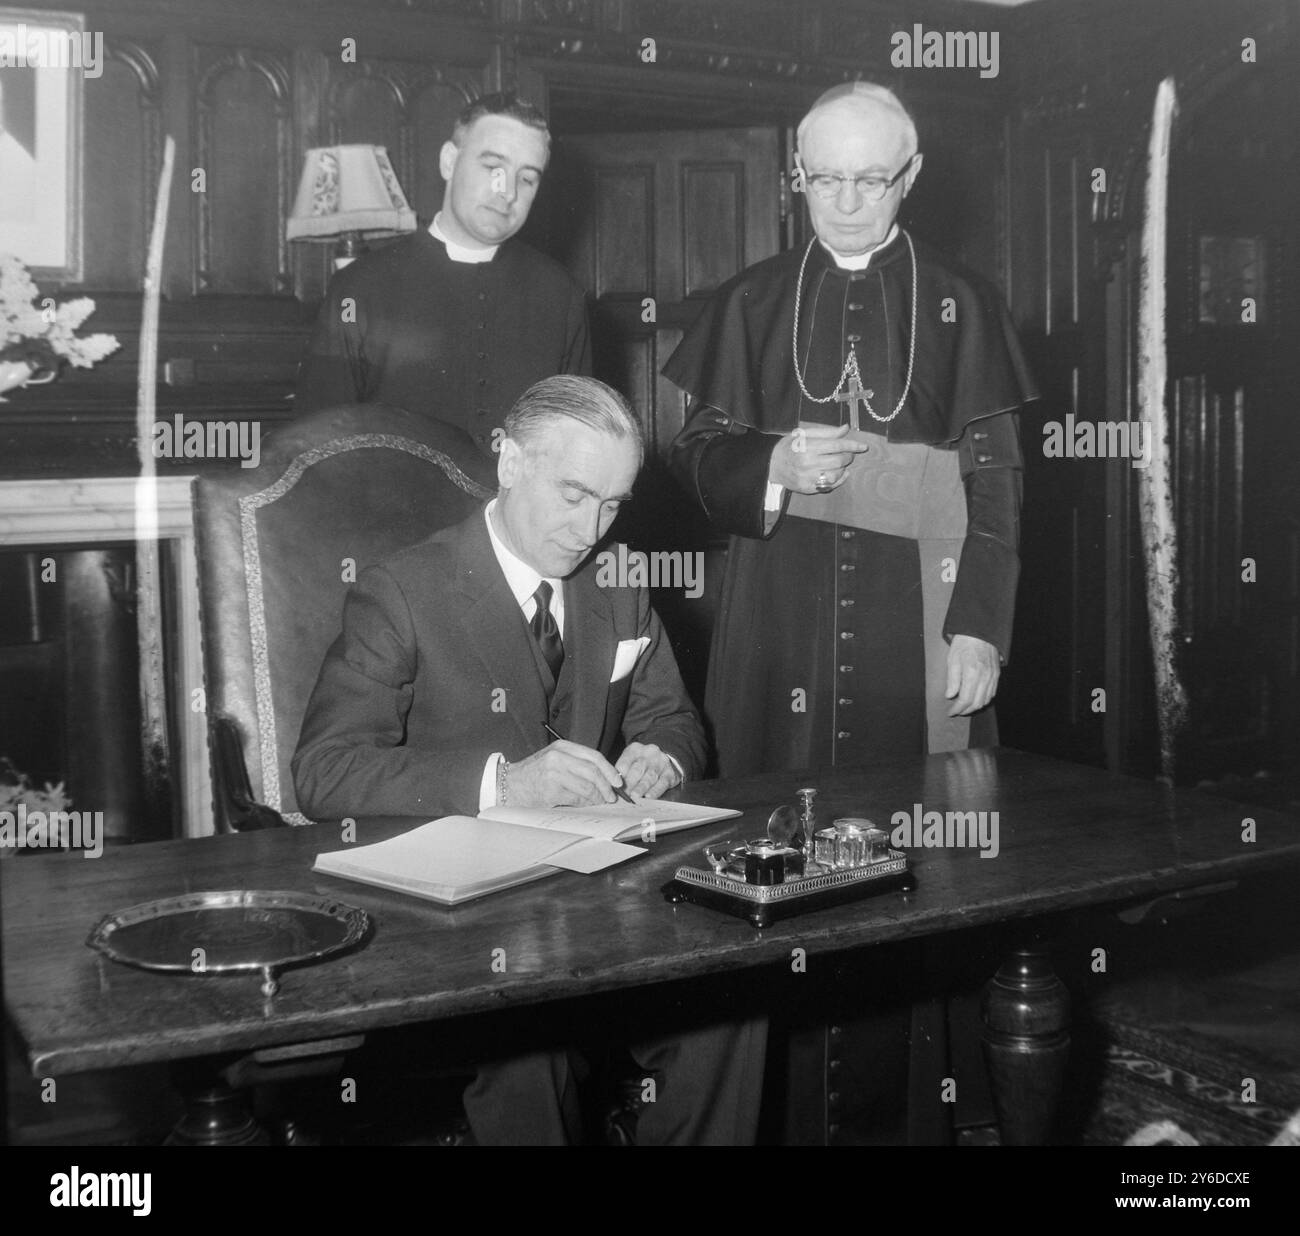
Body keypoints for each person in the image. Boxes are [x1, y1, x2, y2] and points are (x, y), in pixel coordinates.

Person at [292, 376, 763, 1144]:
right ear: (510, 463)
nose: (593, 529)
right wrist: (501, 784)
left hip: (601, 906)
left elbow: (678, 720)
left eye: (615, 505)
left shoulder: (620, 580)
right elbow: (323, 772)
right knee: (524, 1045)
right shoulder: (404, 591)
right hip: (462, 924)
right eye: (575, 495)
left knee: (735, 1004)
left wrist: (663, 759)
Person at [665, 81, 1038, 776]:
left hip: (925, 599)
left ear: (912, 176)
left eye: (870, 181)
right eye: (825, 180)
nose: (844, 204)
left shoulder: (967, 302)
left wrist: (980, 629)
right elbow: (693, 453)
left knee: (928, 821)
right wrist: (772, 466)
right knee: (772, 813)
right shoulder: (751, 299)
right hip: (780, 606)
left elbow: (996, 481)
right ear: (798, 175)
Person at [293, 92, 590, 459]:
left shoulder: (561, 296)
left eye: (526, 179)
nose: (507, 192)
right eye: (492, 167)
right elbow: (317, 446)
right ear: (450, 161)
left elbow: (573, 447)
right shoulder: (361, 287)